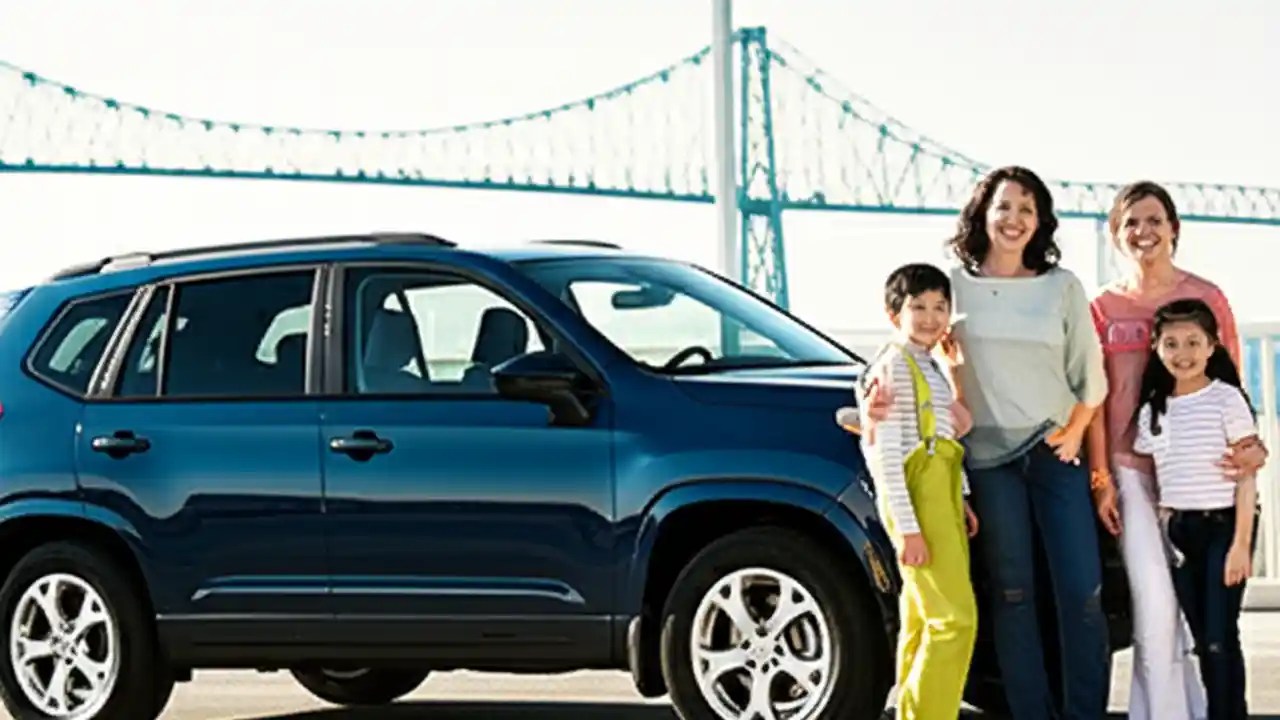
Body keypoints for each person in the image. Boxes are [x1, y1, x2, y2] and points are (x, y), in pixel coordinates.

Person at [1086, 180, 1267, 720]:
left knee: (1202, 619)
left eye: (1154, 220)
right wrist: (1100, 479)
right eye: (1130, 223)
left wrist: (1249, 450)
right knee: (1156, 610)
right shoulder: (1101, 307)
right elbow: (1094, 399)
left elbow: (1229, 382)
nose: (1144, 232)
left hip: (1204, 476)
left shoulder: (1208, 297)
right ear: (1116, 236)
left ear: (1174, 229)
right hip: (1131, 471)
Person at [942, 165, 1111, 720]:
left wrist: (1076, 433)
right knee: (1012, 596)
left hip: (1052, 449)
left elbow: (1091, 373)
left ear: (1040, 223)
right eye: (1004, 206)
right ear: (983, 214)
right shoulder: (952, 285)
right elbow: (914, 347)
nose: (1014, 219)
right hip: (987, 461)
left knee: (1082, 594)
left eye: (1026, 209)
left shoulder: (1062, 287)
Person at [839, 262, 980, 720]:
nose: (930, 317)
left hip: (940, 502)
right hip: (920, 509)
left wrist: (959, 496)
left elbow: (946, 435)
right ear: (892, 311)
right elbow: (885, 456)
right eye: (917, 306)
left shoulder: (928, 364)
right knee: (954, 621)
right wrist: (908, 529)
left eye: (940, 307)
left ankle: (906, 708)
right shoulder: (893, 367)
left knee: (921, 619)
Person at [1131, 298, 1260, 720]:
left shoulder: (1226, 400)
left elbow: (1246, 475)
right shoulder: (1153, 411)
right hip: (1181, 534)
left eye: (1193, 342)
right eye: (1171, 344)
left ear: (1211, 347)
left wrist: (1241, 544)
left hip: (1223, 528)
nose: (1182, 354)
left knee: (1222, 637)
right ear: (1157, 348)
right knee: (1203, 639)